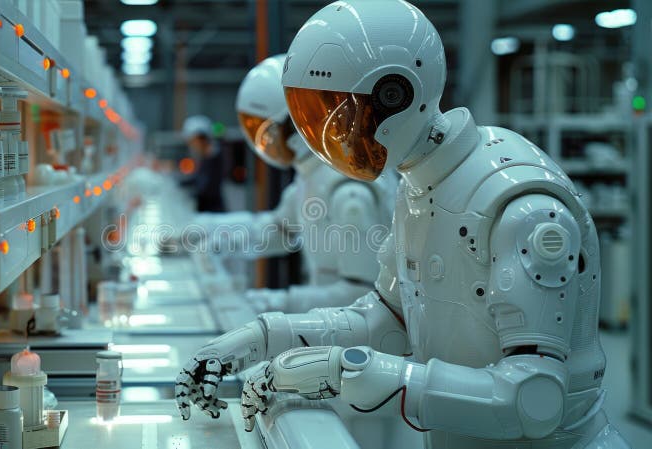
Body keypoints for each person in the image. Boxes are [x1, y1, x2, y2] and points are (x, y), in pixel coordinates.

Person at [175, 1, 630, 448]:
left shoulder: (521, 206)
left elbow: (532, 399)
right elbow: (387, 319)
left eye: (341, 114)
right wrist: (264, 335)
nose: (332, 138)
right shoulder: (421, 186)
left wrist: (346, 370)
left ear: (396, 95)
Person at [193, 54, 397, 313]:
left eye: (268, 133)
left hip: (360, 340)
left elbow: (362, 295)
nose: (266, 145)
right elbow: (278, 230)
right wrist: (208, 231)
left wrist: (271, 302)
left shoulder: (347, 190)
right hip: (335, 326)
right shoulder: (314, 175)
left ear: (297, 123)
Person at [182, 115, 225, 212]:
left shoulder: (212, 157)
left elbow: (206, 188)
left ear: (201, 139)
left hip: (213, 213)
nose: (192, 146)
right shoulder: (206, 157)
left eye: (192, 142)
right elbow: (197, 179)